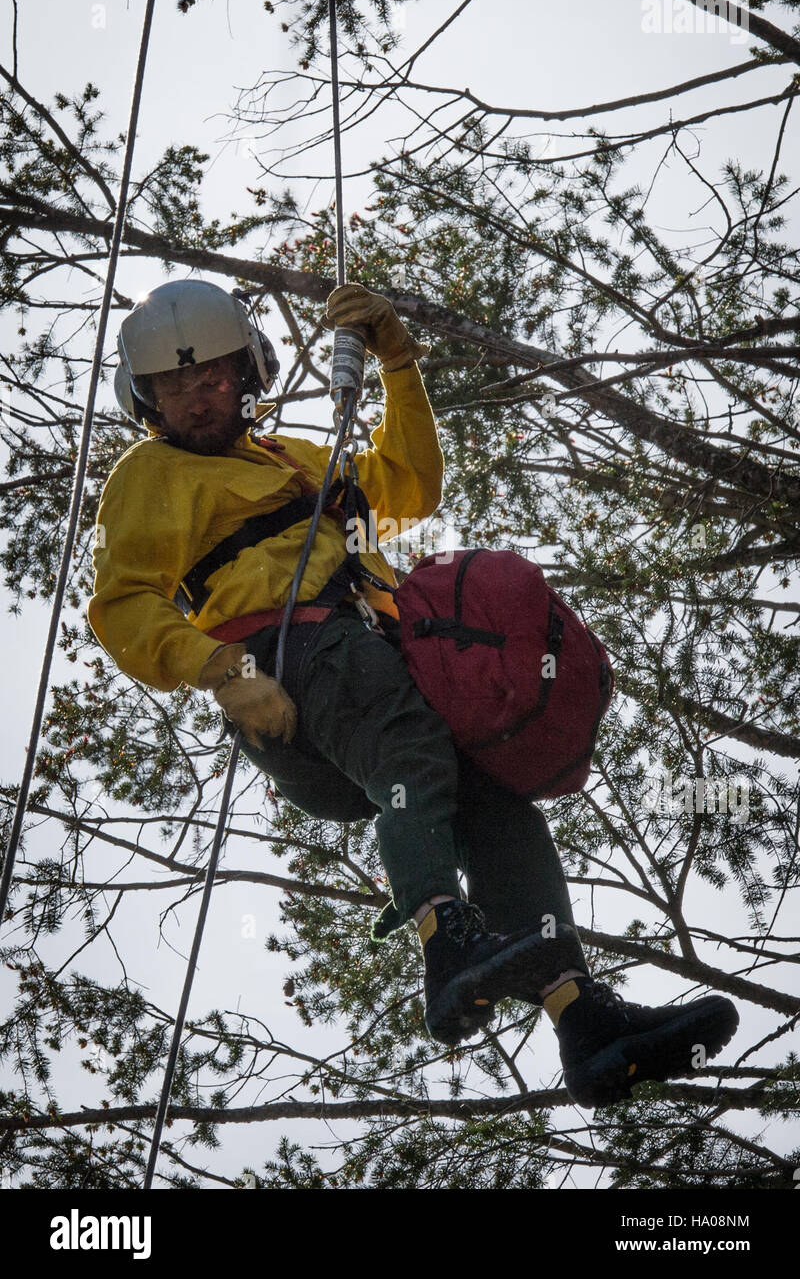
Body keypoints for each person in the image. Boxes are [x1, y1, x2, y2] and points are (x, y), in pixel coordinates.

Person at [89, 277, 738, 1107]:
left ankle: (580, 1016)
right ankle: (446, 941)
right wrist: (224, 672)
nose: (197, 396)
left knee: (497, 806)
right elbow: (122, 603)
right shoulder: (149, 473)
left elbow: (406, 486)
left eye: (213, 376)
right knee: (407, 742)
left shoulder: (295, 461)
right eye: (176, 386)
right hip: (286, 660)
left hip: (368, 656)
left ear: (248, 375)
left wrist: (398, 366)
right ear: (147, 399)